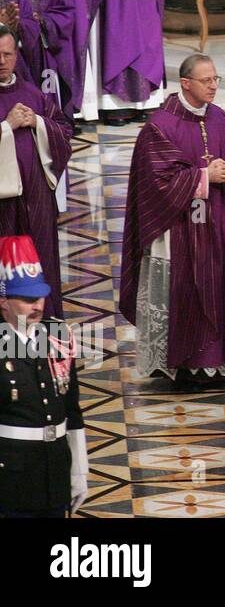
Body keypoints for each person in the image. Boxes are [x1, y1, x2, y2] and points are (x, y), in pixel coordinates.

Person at [119, 53, 225, 384]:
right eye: (206, 81)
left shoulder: (220, 118)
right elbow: (155, 181)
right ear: (185, 83)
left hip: (218, 222)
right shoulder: (160, 125)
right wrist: (205, 177)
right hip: (176, 227)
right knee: (184, 286)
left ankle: (218, 359)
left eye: (216, 80)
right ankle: (181, 364)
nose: (213, 86)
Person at [0, 236, 87, 518]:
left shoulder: (59, 336)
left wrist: (78, 471)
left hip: (56, 472)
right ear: (4, 302)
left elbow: (72, 411)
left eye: (39, 297)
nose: (37, 306)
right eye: (27, 300)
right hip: (11, 478)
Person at [0, 25, 72, 319]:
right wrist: (6, 127)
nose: (1, 61)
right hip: (3, 206)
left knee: (41, 264)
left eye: (6, 54)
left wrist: (40, 123)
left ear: (16, 56)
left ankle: (44, 342)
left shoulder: (32, 94)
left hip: (37, 201)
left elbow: (65, 130)